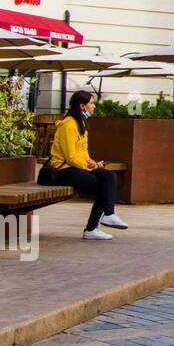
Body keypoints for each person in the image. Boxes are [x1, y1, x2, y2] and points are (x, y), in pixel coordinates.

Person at [49, 90, 128, 241]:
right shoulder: (69, 125)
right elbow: (70, 157)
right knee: (101, 186)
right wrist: (90, 166)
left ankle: (109, 214)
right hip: (64, 170)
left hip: (78, 167)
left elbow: (82, 152)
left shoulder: (81, 124)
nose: (94, 107)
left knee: (109, 176)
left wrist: (94, 163)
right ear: (82, 106)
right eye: (91, 103)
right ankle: (92, 228)